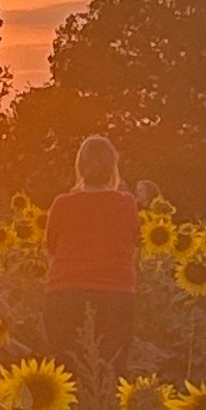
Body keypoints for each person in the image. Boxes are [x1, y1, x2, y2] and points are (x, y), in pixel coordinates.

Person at [42, 131, 144, 388]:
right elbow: (135, 241)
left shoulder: (62, 204)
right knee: (111, 375)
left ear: (79, 167)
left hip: (64, 294)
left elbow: (51, 248)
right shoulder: (126, 204)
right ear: (113, 169)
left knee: (67, 378)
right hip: (115, 295)